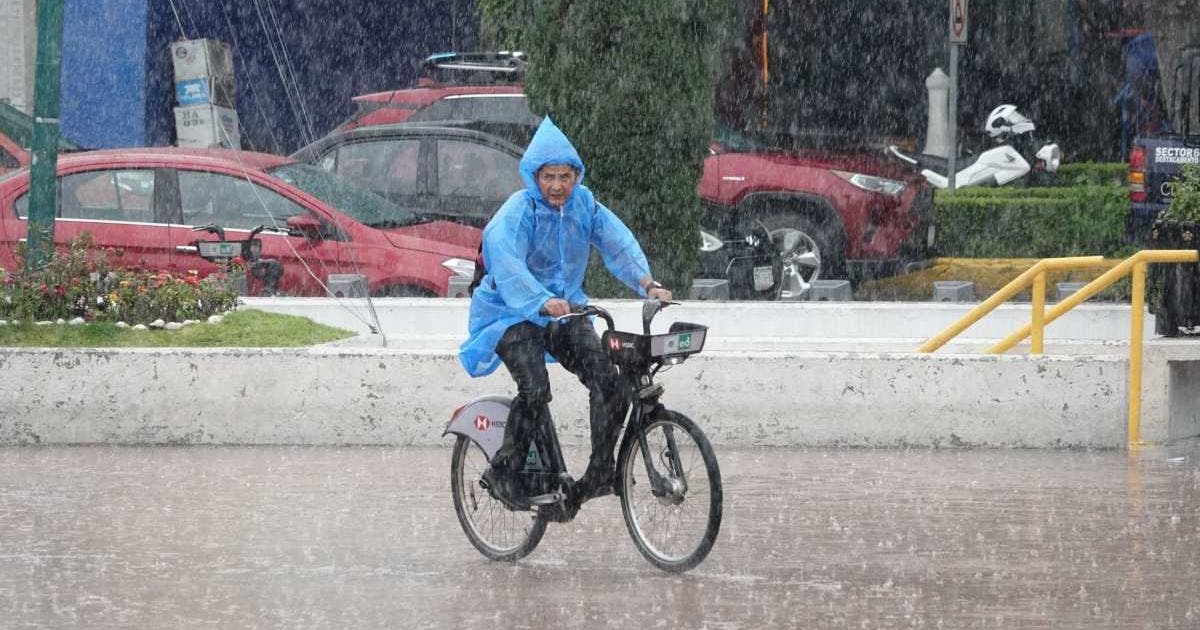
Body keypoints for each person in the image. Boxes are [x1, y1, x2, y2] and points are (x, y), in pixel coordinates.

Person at [459, 117, 672, 514]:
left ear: (577, 176)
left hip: (564, 311)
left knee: (609, 382)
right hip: (509, 315)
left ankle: (597, 474)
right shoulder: (517, 211)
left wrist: (647, 282)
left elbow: (617, 242)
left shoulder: (584, 204)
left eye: (565, 176)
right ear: (534, 176)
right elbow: (506, 263)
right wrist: (540, 300)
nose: (558, 185)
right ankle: (504, 473)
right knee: (535, 389)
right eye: (549, 177)